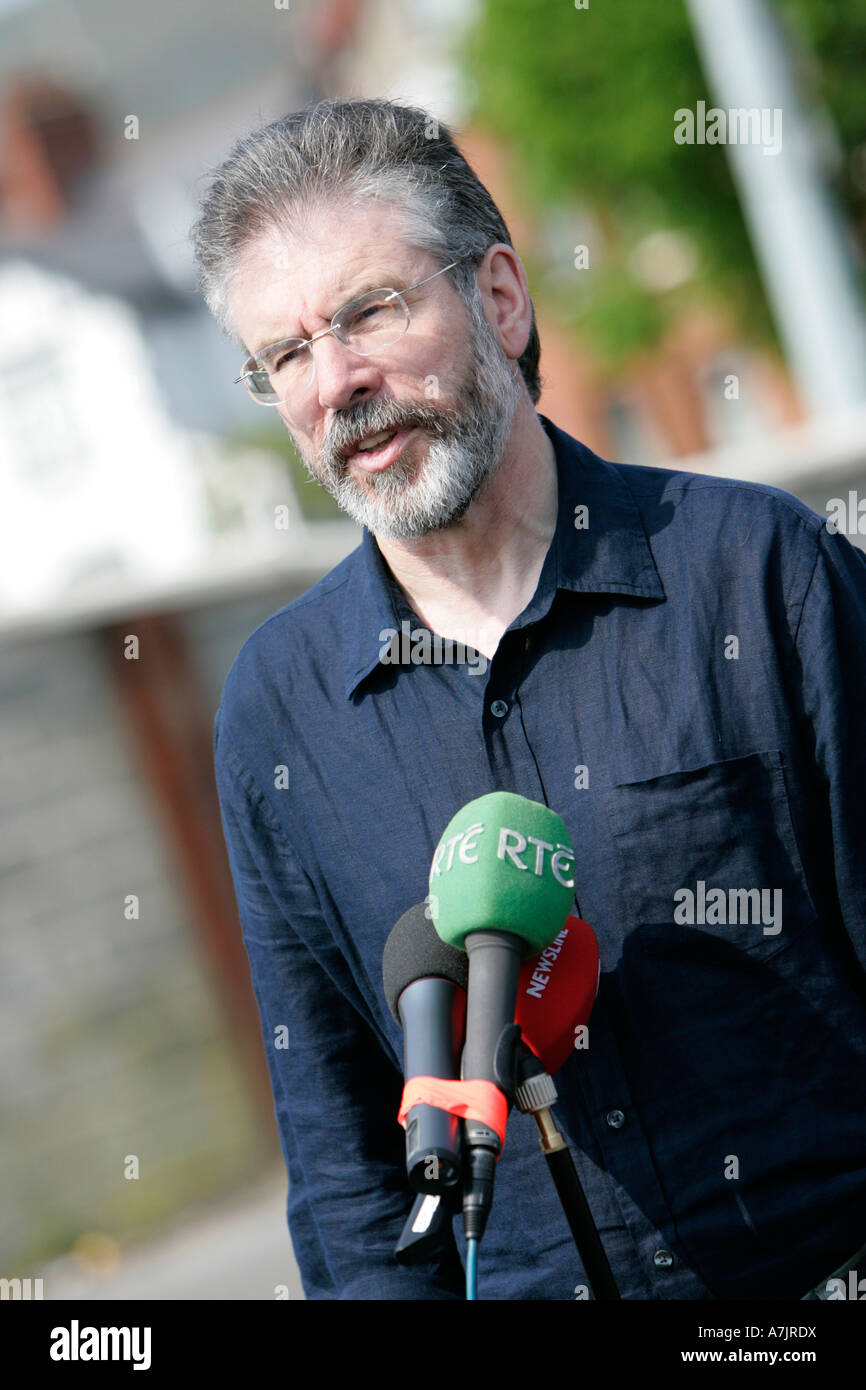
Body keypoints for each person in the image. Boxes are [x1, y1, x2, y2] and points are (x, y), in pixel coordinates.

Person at [191, 98, 866, 1301]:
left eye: (368, 312)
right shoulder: (277, 711)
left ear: (498, 298)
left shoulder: (761, 574)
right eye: (286, 354)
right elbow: (344, 1166)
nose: (336, 381)